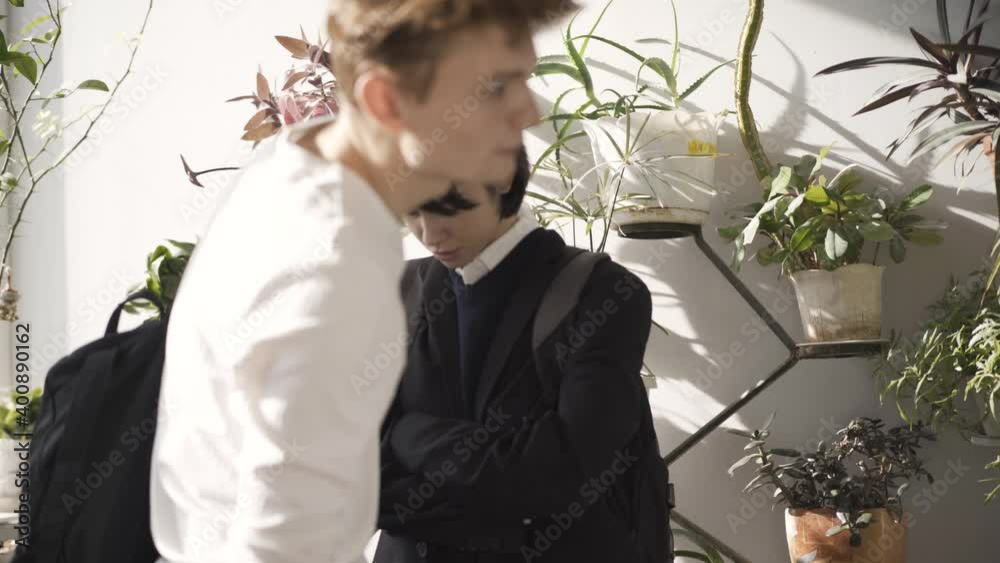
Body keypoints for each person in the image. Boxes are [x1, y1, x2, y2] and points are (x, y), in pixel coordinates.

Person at [149, 2, 571, 562]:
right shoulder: (331, 266)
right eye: (496, 87)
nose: (530, 112)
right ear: (384, 101)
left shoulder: (288, 167)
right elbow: (281, 546)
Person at [375, 150, 671, 562]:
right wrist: (500, 509)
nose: (428, 234)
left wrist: (406, 433)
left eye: (447, 210)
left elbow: (560, 474)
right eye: (411, 212)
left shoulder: (601, 293)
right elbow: (353, 475)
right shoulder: (395, 288)